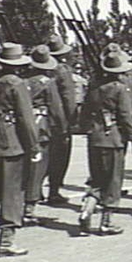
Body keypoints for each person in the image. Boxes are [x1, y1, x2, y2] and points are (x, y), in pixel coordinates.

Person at [0, 43, 40, 257]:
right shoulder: (17, 83)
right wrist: (34, 145)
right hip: (11, 143)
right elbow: (26, 117)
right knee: (12, 193)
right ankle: (6, 242)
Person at [77, 51, 132, 236]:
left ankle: (87, 209)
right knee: (112, 180)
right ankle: (106, 222)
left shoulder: (94, 86)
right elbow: (126, 116)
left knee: (96, 178)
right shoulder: (120, 88)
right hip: (113, 138)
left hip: (94, 137)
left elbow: (84, 112)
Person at [23, 45, 68, 225]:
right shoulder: (46, 82)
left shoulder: (22, 80)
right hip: (40, 126)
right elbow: (56, 108)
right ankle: (29, 208)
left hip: (21, 126)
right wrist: (63, 128)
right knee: (38, 167)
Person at [47, 34, 76, 204]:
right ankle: (53, 190)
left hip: (41, 119)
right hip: (59, 120)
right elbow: (68, 97)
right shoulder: (62, 70)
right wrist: (72, 118)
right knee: (60, 156)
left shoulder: (36, 67)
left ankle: (34, 191)